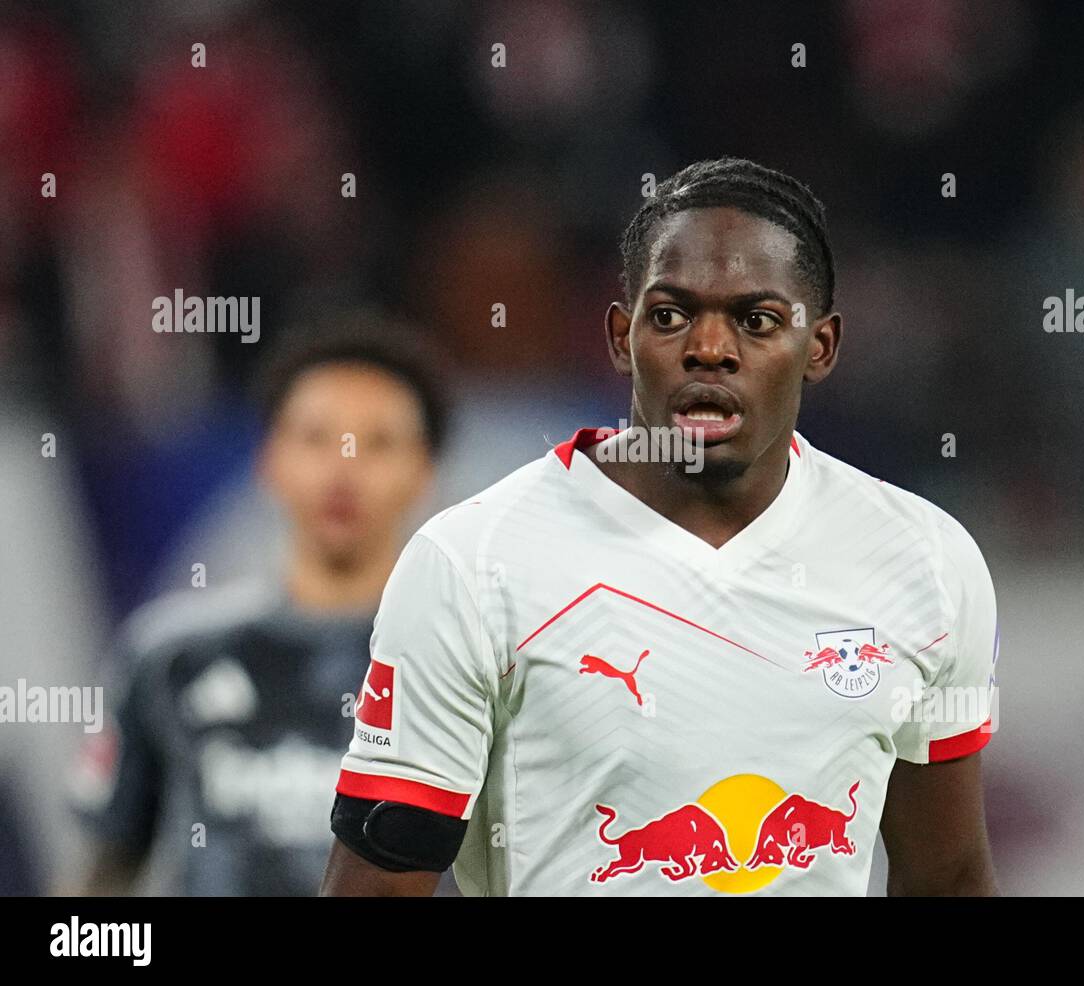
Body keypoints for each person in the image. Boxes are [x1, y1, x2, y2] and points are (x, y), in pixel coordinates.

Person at [321, 158, 1000, 896]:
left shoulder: (926, 560)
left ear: (821, 348)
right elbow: (378, 886)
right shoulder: (471, 563)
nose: (709, 348)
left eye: (757, 320)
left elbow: (950, 874)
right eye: (671, 315)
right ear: (621, 338)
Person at [76, 317, 445, 895]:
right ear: (268, 459)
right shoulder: (170, 658)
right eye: (315, 437)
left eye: (379, 443)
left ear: (424, 471)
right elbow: (102, 877)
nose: (343, 469)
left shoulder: (477, 664)